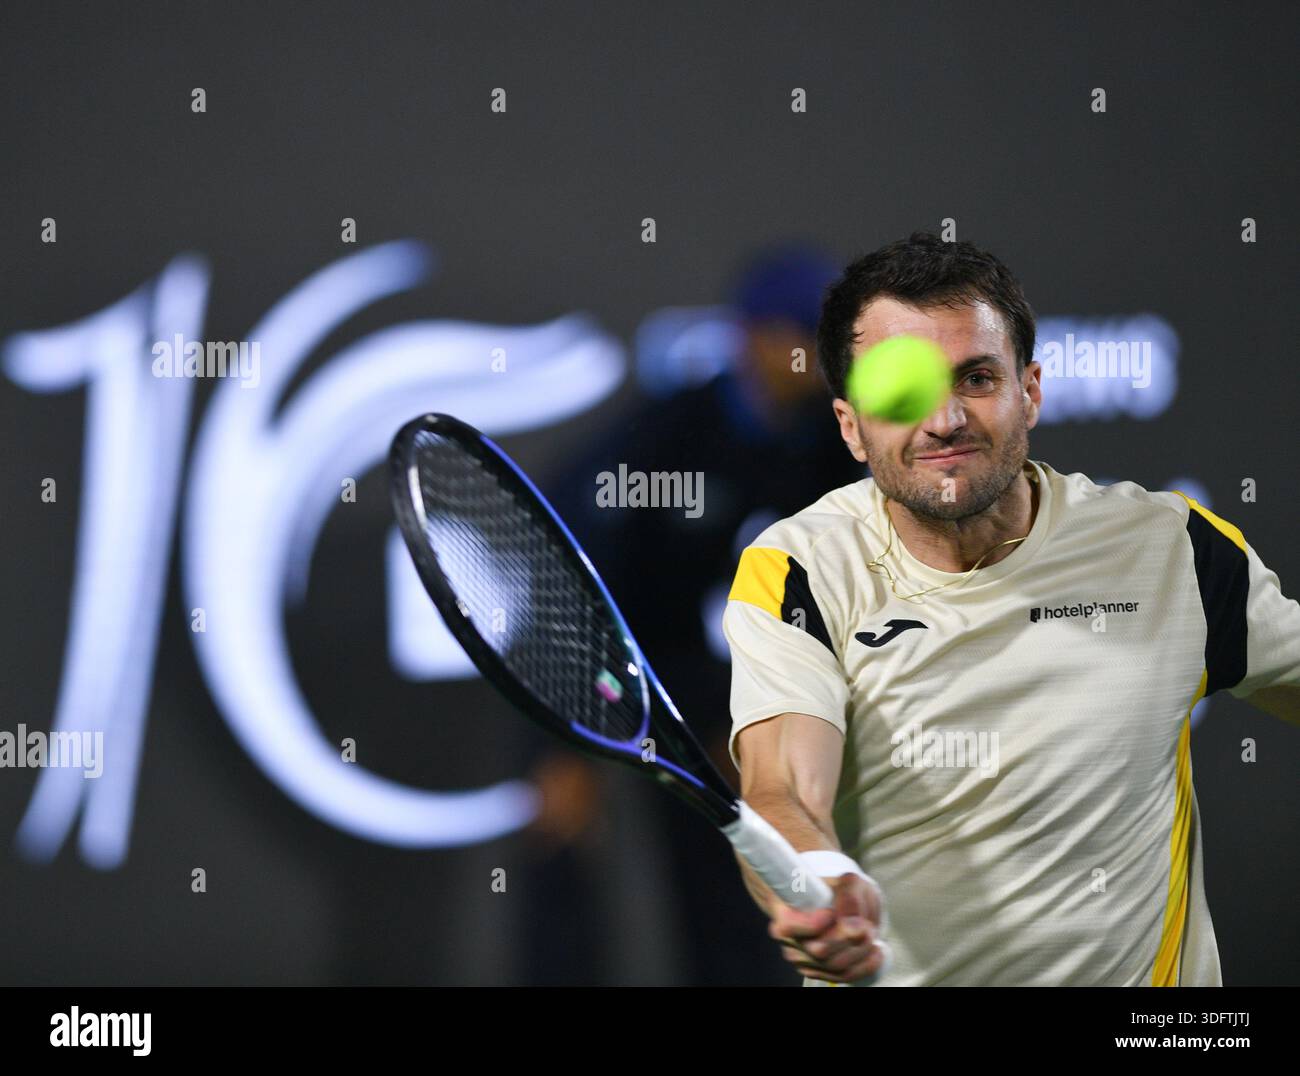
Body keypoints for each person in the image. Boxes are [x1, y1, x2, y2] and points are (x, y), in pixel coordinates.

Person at [724, 231, 1300, 986]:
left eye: (976, 379)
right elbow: (785, 790)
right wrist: (818, 881)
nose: (945, 419)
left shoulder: (1176, 550)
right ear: (850, 426)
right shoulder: (799, 569)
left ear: (1029, 390)